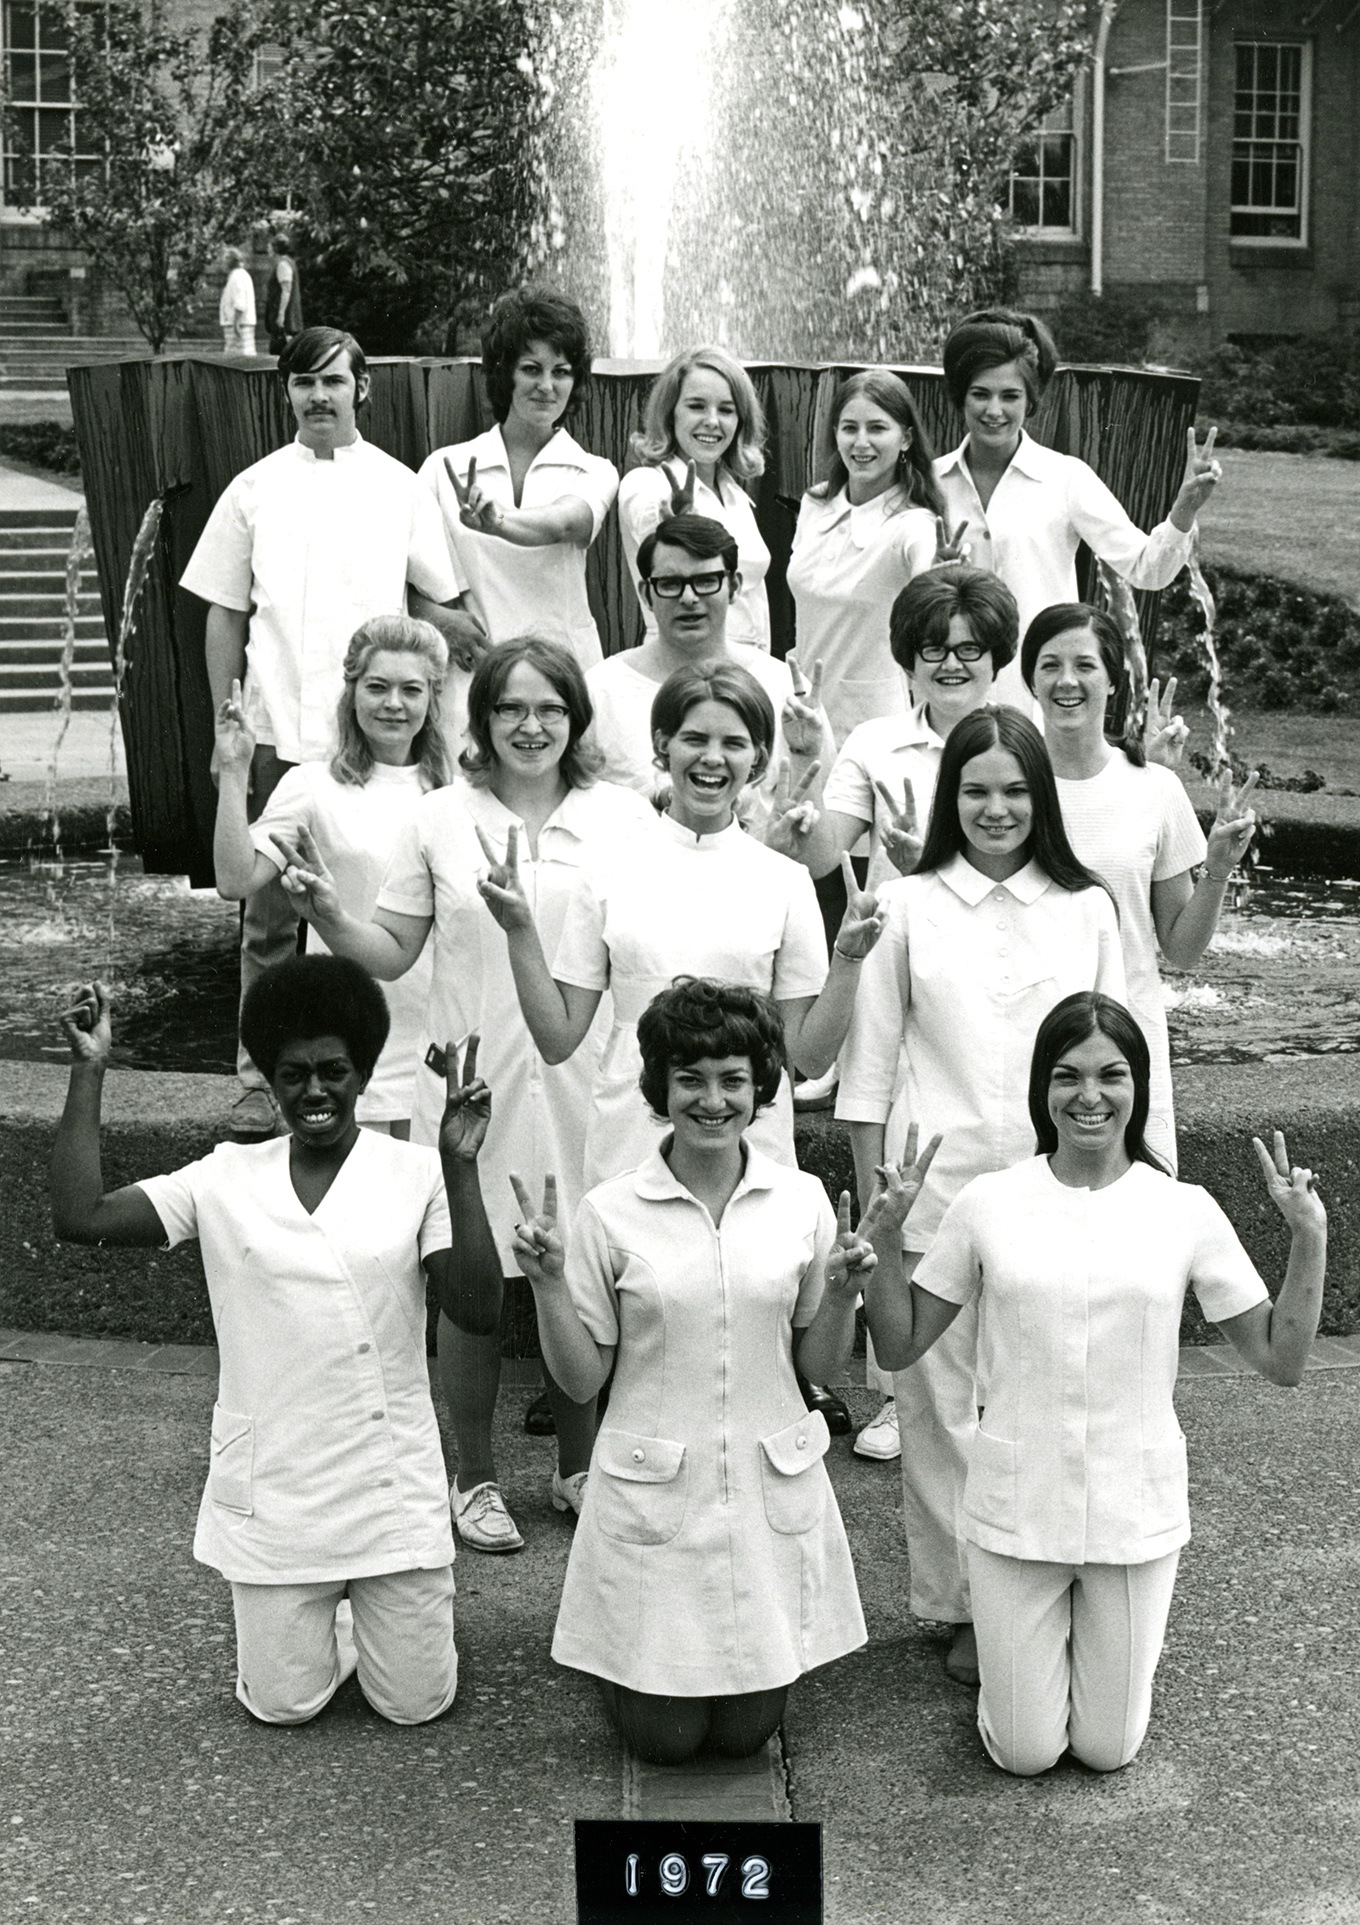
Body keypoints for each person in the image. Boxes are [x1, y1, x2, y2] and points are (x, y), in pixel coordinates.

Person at [862, 990, 1327, 1776]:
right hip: (1018, 1507)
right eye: (1068, 1075)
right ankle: (1020, 1666)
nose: (1089, 1095)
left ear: (1137, 1086)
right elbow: (902, 1343)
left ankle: (1068, 1649)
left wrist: (1308, 1237)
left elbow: (1281, 1360)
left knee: (1108, 1750)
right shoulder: (989, 1202)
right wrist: (882, 1234)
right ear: (1042, 1088)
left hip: (1131, 1515)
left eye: (1111, 1074)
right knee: (1025, 1751)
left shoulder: (1184, 1207)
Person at [267, 638, 658, 1557]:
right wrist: (324, 909)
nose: (531, 726)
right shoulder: (440, 816)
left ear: (576, 719)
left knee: (581, 1272)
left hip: (590, 1079)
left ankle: (579, 1463)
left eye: (550, 709)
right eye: (510, 709)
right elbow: (393, 950)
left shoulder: (625, 819)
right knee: (470, 1285)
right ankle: (472, 1476)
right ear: (480, 720)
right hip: (469, 1082)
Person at [512, 979, 940, 1764]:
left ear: (761, 1088)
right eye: (691, 1079)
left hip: (764, 1491)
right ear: (660, 1087)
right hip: (654, 1494)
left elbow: (817, 1365)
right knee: (667, 1742)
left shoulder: (803, 1201)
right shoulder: (610, 1211)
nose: (713, 1100)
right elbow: (580, 1381)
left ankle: (686, 1664)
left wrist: (845, 1291)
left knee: (745, 1737)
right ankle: (623, 1649)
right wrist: (547, 1285)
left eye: (733, 1079)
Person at [49, 957, 484, 1728]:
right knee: (284, 1705)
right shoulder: (224, 1176)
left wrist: (460, 1166)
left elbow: (478, 1310)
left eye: (333, 1071)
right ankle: (334, 1624)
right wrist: (90, 1071)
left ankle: (380, 1616)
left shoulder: (416, 1172)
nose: (315, 1091)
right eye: (294, 1075)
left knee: (415, 1703)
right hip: (280, 1490)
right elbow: (81, 1215)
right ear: (271, 1081)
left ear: (363, 1073)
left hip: (388, 1487)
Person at [836, 704, 1127, 1686]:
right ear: (947, 800)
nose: (995, 807)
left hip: (1064, 1191)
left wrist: (1139, 1183)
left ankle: (1059, 1588)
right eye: (975, 790)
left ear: (1038, 797)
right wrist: (875, 1205)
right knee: (944, 1408)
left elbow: (1127, 1059)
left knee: (1056, 1400)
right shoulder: (906, 903)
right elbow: (868, 1068)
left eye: (1013, 789)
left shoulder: (1085, 907)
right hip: (937, 1195)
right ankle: (964, 1602)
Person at [181, 324, 483, 1138]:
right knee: (272, 917)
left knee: (379, 901)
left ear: (361, 391)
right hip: (282, 723)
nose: (319, 396)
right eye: (304, 382)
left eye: (334, 382)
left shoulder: (398, 488)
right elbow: (224, 613)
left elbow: (440, 603)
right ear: (286, 392)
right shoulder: (252, 487)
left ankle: (382, 1063)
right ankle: (258, 1071)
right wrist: (228, 719)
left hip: (379, 727)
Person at [772, 563, 1019, 1458]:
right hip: (893, 952)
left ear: (996, 656)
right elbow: (822, 845)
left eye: (968, 649)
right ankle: (898, 1388)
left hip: (993, 961)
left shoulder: (1020, 745)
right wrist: (805, 762)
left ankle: (998, 1386)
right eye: (931, 650)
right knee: (896, 1138)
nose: (950, 665)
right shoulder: (876, 743)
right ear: (907, 660)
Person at [479, 659, 882, 1193]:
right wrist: (519, 931)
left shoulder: (784, 879)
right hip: (631, 1141)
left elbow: (808, 1054)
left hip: (752, 1147)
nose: (712, 759)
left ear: (758, 759)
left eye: (733, 744)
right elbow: (558, 1038)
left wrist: (849, 960)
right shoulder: (606, 870)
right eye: (694, 739)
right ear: (663, 746)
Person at [1021, 602, 1259, 1169]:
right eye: (1050, 665)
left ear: (1112, 679)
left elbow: (1181, 949)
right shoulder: (1006, 788)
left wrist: (1219, 870)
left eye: (1085, 665)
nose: (1067, 681)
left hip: (1128, 1041)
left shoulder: (1155, 788)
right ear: (1030, 677)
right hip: (1026, 1037)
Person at [212, 616, 452, 1136]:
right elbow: (236, 878)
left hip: (442, 1032)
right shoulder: (312, 786)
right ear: (352, 692)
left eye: (411, 689)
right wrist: (233, 773)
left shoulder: (457, 791)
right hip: (351, 1036)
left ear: (433, 697)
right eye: (377, 687)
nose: (394, 703)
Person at [934, 307, 1223, 712]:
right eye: (980, 394)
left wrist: (1184, 509)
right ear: (960, 397)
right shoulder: (930, 484)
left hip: (1039, 702)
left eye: (1010, 395)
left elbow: (1147, 569)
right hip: (949, 698)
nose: (994, 410)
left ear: (1031, 400)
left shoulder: (1065, 479)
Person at [418, 286, 618, 755]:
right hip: (470, 683)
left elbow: (564, 524)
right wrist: (443, 620)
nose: (546, 386)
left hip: (564, 685)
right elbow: (409, 585)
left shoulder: (594, 469)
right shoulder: (444, 467)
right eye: (531, 369)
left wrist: (499, 522)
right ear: (503, 374)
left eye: (561, 372)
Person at [586, 513, 832, 837]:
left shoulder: (785, 688)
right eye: (671, 584)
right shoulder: (599, 690)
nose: (689, 598)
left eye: (705, 581)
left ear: (734, 587)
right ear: (646, 594)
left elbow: (820, 834)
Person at [786, 368, 952, 751]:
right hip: (803, 710)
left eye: (877, 428)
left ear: (906, 438)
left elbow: (929, 569)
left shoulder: (915, 523)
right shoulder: (816, 502)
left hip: (872, 724)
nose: (861, 443)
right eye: (849, 428)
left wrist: (941, 577)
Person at [617, 346, 772, 650]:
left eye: (726, 410)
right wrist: (674, 525)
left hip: (748, 667)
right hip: (688, 667)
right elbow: (653, 523)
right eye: (697, 406)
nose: (713, 421)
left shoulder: (733, 493)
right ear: (670, 414)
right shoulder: (645, 483)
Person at [265, 232, 303, 355]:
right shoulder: (286, 262)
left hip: (285, 320)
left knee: (281, 353)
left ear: (276, 248)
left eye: (270, 246)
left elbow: (286, 290)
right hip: (286, 319)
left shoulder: (283, 264)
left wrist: (281, 316)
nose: (267, 249)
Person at [218, 247, 256, 356]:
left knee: (238, 358)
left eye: (225, 260)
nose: (223, 263)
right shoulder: (239, 275)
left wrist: (235, 325)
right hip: (240, 324)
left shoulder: (237, 277)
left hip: (238, 324)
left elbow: (240, 303)